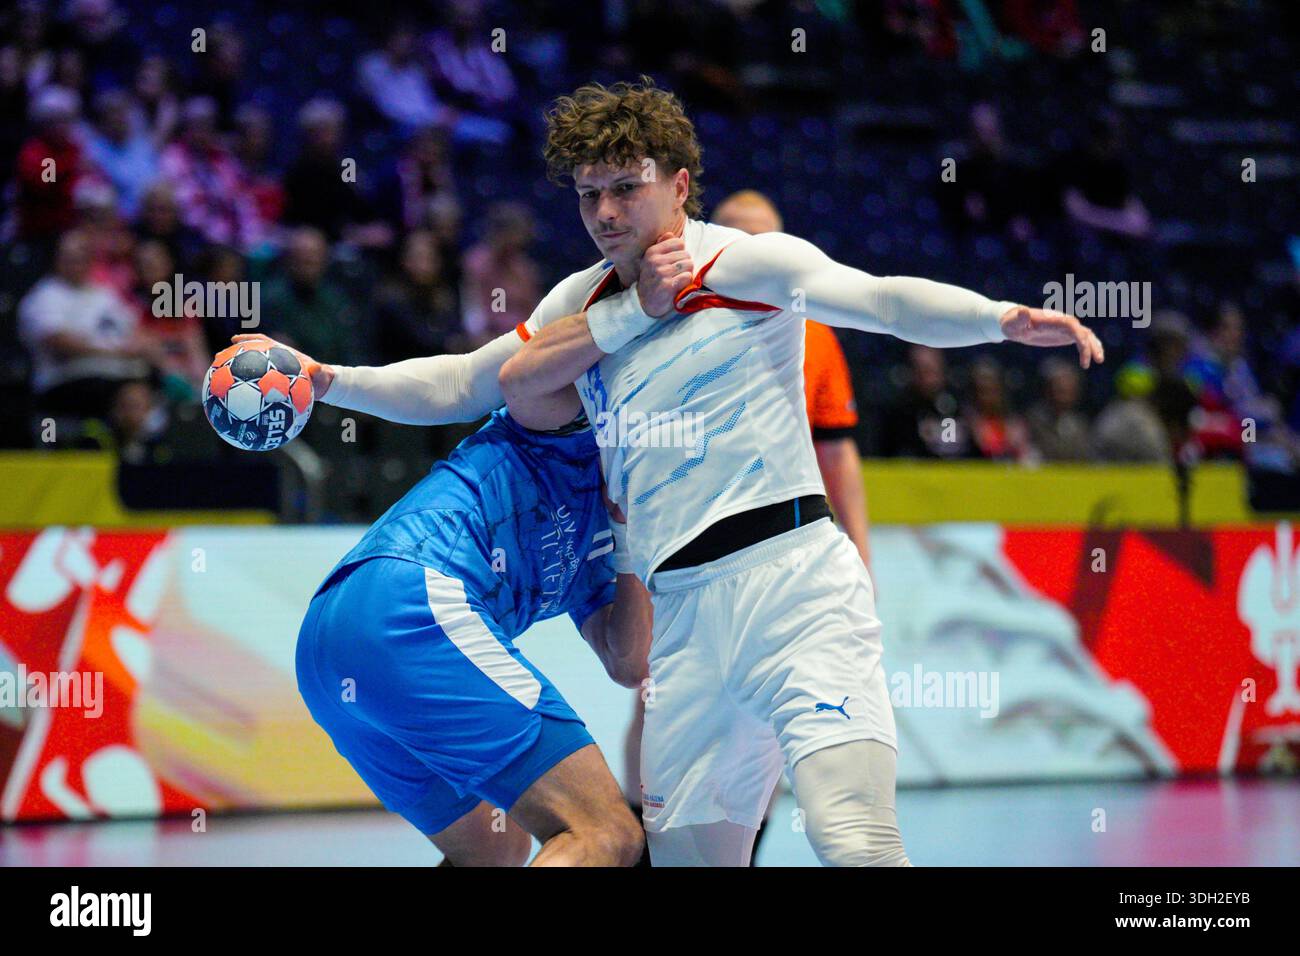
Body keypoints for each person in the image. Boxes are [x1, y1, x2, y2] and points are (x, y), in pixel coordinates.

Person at [497, 78, 1104, 867]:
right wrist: (337, 380)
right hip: (680, 617)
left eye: (625, 188)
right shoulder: (577, 305)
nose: (606, 213)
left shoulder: (747, 263)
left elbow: (881, 300)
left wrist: (997, 319)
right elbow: (475, 381)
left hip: (794, 588)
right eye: (588, 196)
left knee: (851, 836)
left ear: (678, 185)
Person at [230, 330, 653, 867]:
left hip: (334, 639)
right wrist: (627, 308)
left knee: (494, 849)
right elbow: (513, 380)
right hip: (410, 604)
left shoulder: (610, 547)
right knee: (605, 831)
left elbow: (629, 661)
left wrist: (627, 540)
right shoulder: (571, 427)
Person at [614, 187, 877, 865]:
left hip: (779, 557)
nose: (749, 250)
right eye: (737, 234)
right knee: (654, 697)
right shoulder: (646, 316)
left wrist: (861, 554)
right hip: (669, 556)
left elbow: (837, 448)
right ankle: (649, 838)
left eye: (763, 237)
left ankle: (741, 842)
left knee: (780, 731)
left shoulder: (812, 330)